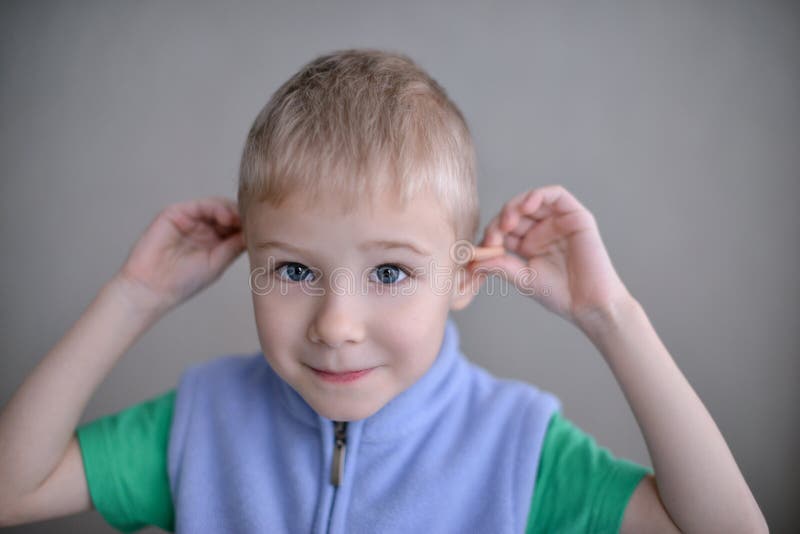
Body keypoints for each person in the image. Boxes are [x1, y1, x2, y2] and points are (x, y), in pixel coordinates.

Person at [0, 49, 767, 533]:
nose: (336, 325)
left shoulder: (517, 451)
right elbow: (14, 490)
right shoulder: (202, 424)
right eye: (295, 271)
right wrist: (133, 297)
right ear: (253, 264)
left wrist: (611, 317)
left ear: (465, 276)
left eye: (390, 272)